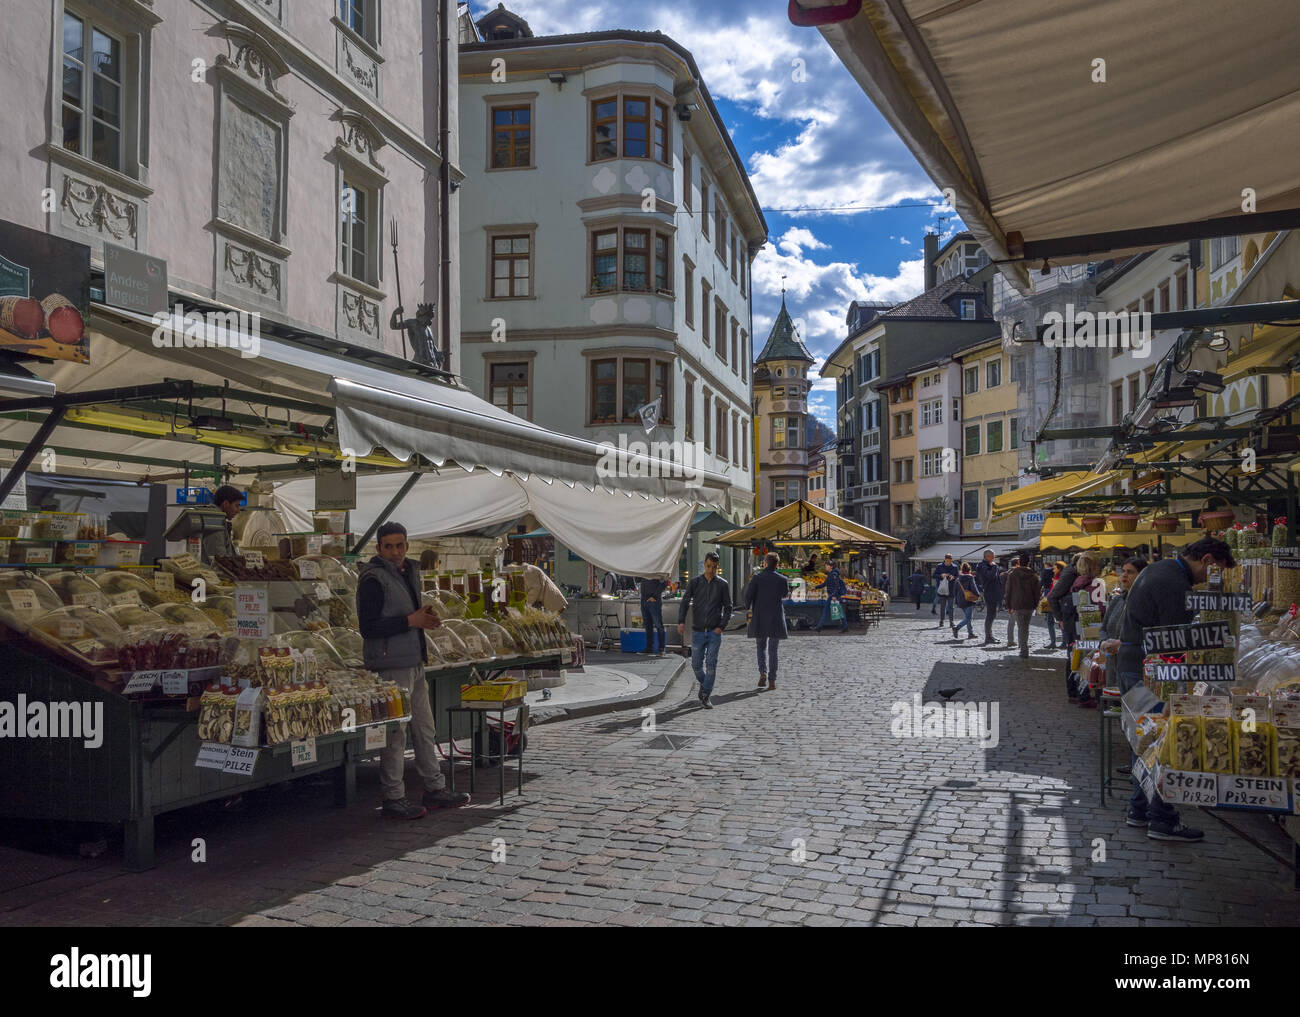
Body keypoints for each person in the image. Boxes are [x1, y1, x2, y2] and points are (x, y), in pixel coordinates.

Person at [1118, 537, 1235, 842]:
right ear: (1208, 560)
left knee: (1146, 739)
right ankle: (1162, 818)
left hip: (1135, 663)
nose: (1215, 577)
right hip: (1150, 669)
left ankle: (1139, 809)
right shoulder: (1175, 584)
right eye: (1218, 570)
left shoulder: (1163, 569)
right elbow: (1178, 641)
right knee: (1164, 740)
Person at [357, 521, 470, 819]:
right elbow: (368, 628)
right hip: (390, 665)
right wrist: (411, 622)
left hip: (414, 661)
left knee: (424, 728)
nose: (395, 551)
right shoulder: (372, 579)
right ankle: (393, 797)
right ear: (379, 548)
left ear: (408, 546)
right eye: (389, 546)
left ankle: (435, 787)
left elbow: (407, 615)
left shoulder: (410, 572)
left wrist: (424, 621)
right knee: (396, 734)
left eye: (400, 545)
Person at [677, 550, 731, 708]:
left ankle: (706, 695)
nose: (710, 570)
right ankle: (706, 686)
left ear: (717, 567)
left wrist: (721, 626)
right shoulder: (695, 583)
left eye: (714, 567)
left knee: (711, 665)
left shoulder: (722, 584)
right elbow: (685, 602)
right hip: (698, 631)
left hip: (714, 632)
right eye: (708, 566)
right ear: (704, 565)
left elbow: (728, 607)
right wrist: (681, 621)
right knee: (696, 665)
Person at [1096, 556, 1148, 704]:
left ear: (1141, 575)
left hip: (1134, 666)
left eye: (1130, 572)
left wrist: (1121, 644)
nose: (1124, 575)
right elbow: (1104, 628)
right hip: (1113, 664)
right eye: (1123, 571)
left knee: (1134, 708)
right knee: (1117, 707)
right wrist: (1104, 642)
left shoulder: (1146, 603)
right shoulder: (1117, 601)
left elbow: (1146, 633)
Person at [743, 551, 788, 690]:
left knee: (761, 647)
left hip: (760, 616)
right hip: (775, 617)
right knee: (773, 650)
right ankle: (772, 680)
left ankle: (763, 672)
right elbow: (785, 594)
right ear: (777, 564)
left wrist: (747, 607)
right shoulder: (782, 579)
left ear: (765, 563)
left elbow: (748, 596)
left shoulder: (757, 578)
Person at [1002, 556, 1040, 658]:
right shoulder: (1033, 574)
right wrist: (1036, 604)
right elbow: (1037, 592)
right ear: (1029, 563)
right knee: (1025, 627)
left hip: (1017, 603)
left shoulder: (1013, 574)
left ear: (1019, 562)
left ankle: (1024, 650)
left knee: (1021, 627)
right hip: (1029, 604)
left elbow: (1008, 591)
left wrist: (1008, 605)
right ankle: (1023, 647)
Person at [201, 484, 243, 564]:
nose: (238, 511)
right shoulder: (214, 520)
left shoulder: (219, 519)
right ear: (226, 504)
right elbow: (219, 558)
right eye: (236, 506)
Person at [974, 550, 1005, 646]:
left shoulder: (989, 565)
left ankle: (990, 636)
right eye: (992, 556)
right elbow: (990, 576)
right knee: (990, 615)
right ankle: (988, 637)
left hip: (994, 592)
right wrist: (995, 567)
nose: (994, 558)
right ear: (987, 557)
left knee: (992, 614)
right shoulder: (983, 566)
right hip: (989, 593)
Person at [814, 561, 848, 632]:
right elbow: (825, 584)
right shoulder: (830, 574)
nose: (825, 567)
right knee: (838, 610)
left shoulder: (834, 574)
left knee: (826, 611)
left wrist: (834, 595)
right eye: (825, 565)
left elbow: (836, 586)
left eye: (827, 565)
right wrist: (815, 587)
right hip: (832, 595)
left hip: (833, 595)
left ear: (831, 567)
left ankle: (819, 627)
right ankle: (845, 627)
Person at [639, 575, 667, 655]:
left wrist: (654, 596)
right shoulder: (645, 570)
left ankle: (661, 648)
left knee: (658, 624)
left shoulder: (657, 568)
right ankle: (649, 648)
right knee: (647, 625)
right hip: (644, 599)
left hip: (654, 600)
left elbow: (664, 583)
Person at [951, 562, 979, 639]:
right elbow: (974, 588)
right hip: (969, 599)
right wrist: (978, 595)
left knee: (967, 617)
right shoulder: (970, 577)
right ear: (969, 570)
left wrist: (957, 600)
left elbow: (954, 591)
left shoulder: (958, 579)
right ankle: (957, 627)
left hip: (960, 600)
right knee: (968, 618)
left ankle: (970, 633)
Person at [1041, 561, 1064, 649]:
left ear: (1059, 569)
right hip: (1056, 601)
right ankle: (1062, 642)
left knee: (1051, 622)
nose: (1053, 571)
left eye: (1054, 569)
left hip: (1055, 602)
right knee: (1058, 622)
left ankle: (1054, 642)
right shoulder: (1060, 577)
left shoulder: (1058, 578)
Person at [933, 553, 959, 626]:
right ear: (944, 559)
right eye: (947, 561)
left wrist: (953, 577)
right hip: (942, 589)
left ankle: (951, 621)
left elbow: (957, 576)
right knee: (942, 606)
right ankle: (941, 621)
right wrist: (941, 575)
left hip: (951, 589)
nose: (948, 562)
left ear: (951, 560)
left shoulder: (955, 567)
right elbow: (934, 575)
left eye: (950, 561)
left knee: (951, 607)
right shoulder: (939, 566)